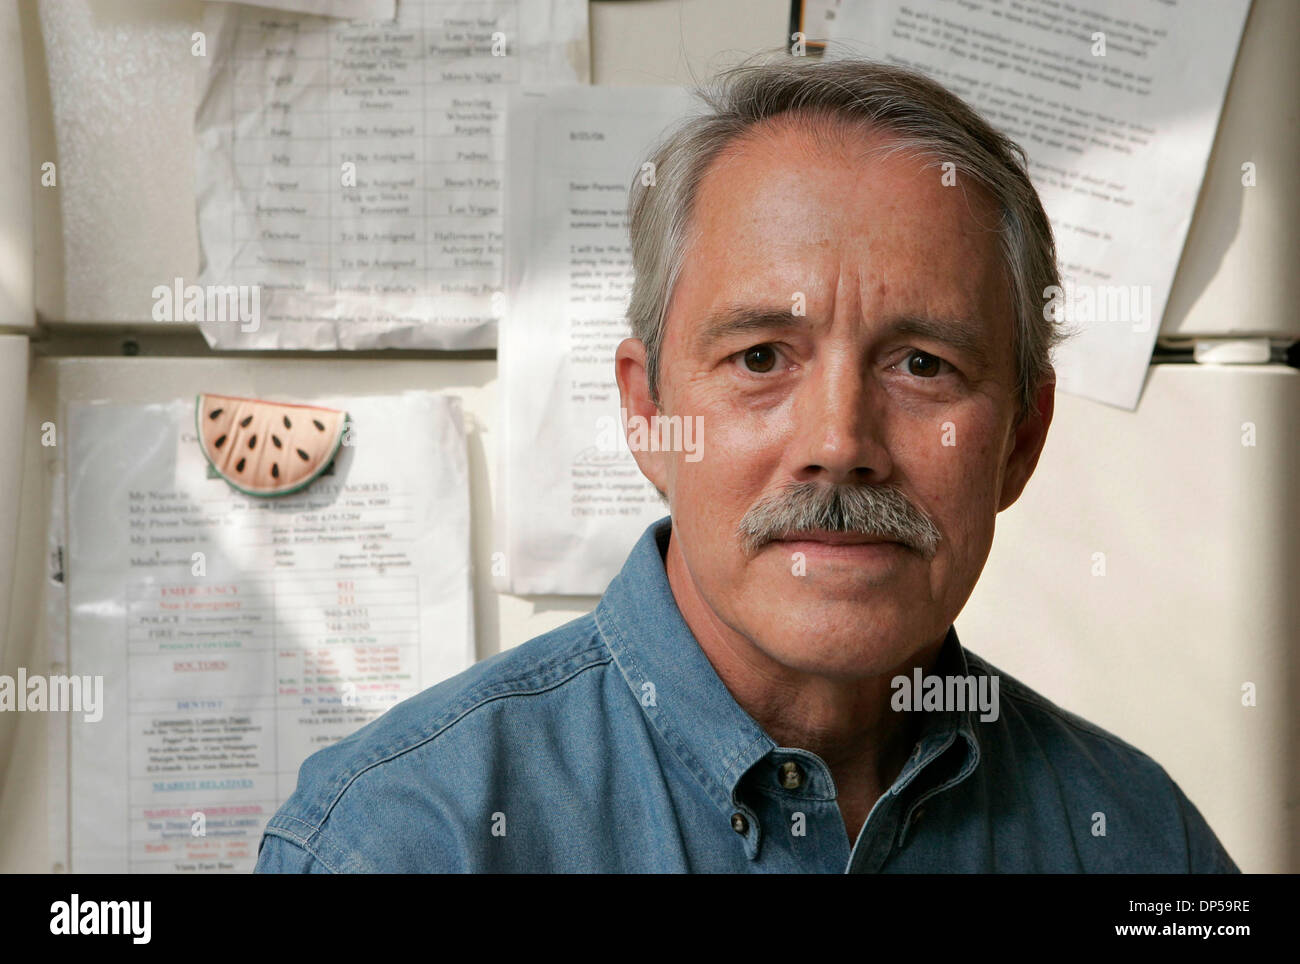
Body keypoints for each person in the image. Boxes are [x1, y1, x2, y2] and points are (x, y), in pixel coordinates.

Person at [256, 55, 1237, 872]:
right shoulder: (397, 843)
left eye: (922, 365)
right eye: (760, 357)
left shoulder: (1144, 844)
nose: (838, 443)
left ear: (1019, 441)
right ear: (647, 411)